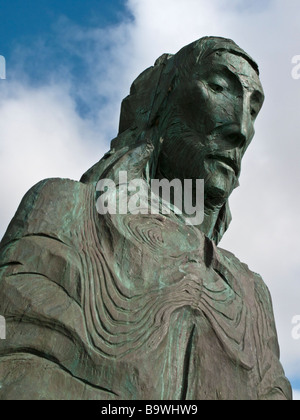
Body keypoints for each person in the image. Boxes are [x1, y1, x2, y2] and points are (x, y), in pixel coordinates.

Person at [0, 37, 292, 400]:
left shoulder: (253, 296)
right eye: (219, 87)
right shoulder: (64, 211)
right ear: (163, 100)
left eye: (252, 110)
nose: (242, 129)